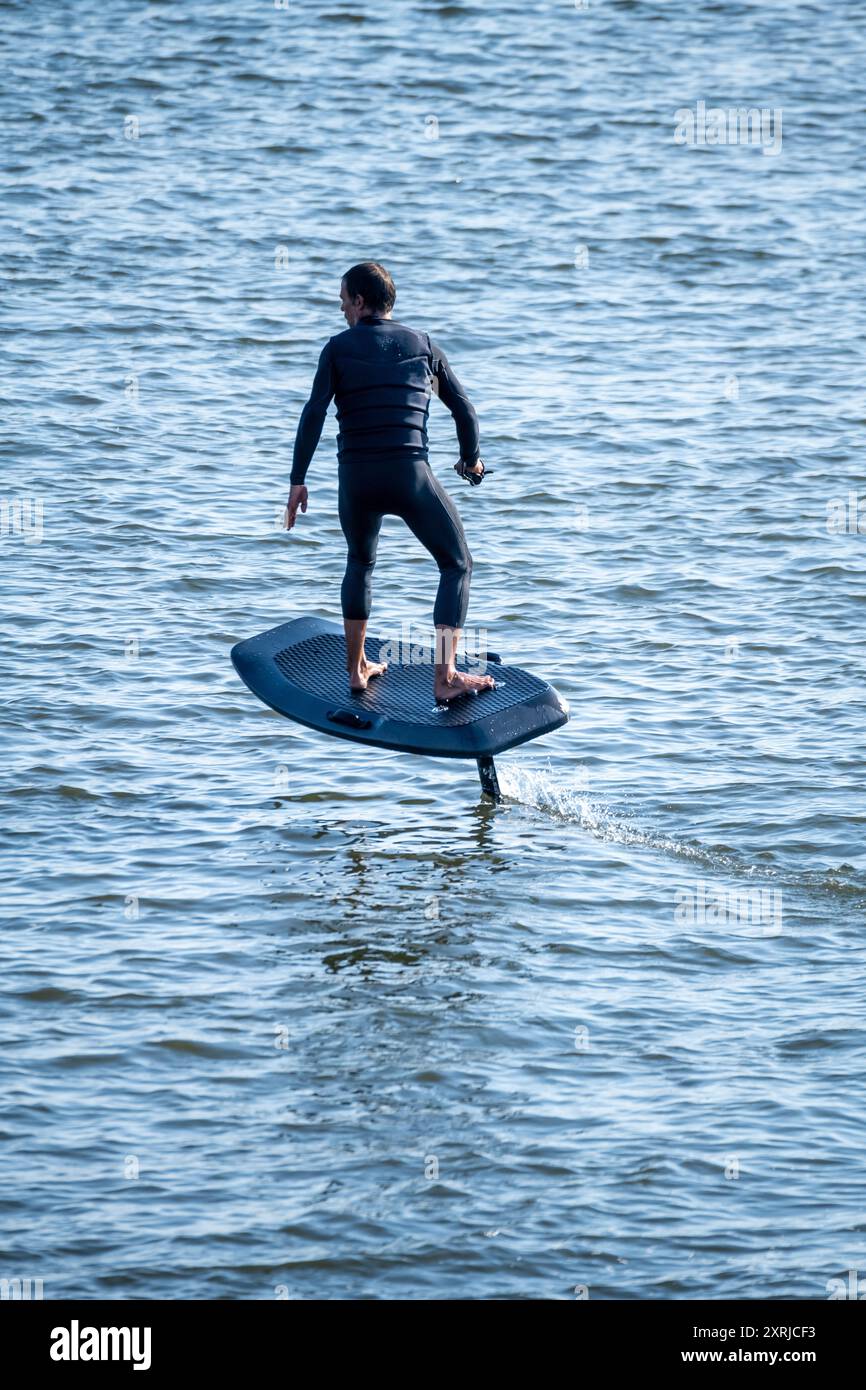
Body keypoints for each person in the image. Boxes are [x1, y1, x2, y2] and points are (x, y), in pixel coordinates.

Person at [283, 261, 496, 702]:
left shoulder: (337, 349)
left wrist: (297, 480)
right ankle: (446, 676)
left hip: (356, 479)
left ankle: (357, 670)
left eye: (344, 301)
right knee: (457, 564)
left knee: (360, 562)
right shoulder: (422, 345)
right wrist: (470, 461)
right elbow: (464, 410)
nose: (341, 308)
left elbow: (314, 413)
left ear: (361, 301)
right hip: (409, 475)